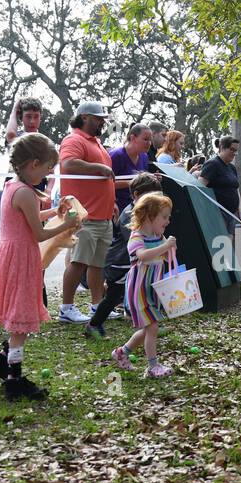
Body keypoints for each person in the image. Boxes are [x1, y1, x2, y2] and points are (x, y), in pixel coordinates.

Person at [0, 133, 83, 399]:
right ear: (34, 164)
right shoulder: (26, 193)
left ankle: (2, 360)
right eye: (47, 168)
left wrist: (54, 212)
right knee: (20, 323)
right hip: (20, 259)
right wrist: (68, 224)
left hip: (12, 255)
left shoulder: (12, 187)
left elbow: (29, 218)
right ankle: (13, 380)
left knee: (20, 315)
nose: (48, 174)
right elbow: (38, 234)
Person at [57, 101, 120, 323]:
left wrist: (111, 201)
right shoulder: (73, 139)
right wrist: (97, 167)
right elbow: (67, 163)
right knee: (78, 262)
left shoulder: (97, 143)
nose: (102, 122)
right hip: (84, 216)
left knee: (97, 264)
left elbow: (104, 179)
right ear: (84, 117)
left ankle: (97, 305)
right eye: (98, 118)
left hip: (102, 216)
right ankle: (66, 308)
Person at [86, 171, 164, 338]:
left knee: (144, 292)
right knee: (113, 297)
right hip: (120, 263)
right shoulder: (131, 215)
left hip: (133, 263)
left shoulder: (145, 213)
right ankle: (93, 325)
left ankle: (150, 324)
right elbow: (136, 241)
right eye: (151, 196)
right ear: (137, 195)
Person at [112, 192, 179, 379]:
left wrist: (170, 249)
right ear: (150, 216)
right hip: (139, 289)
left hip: (152, 289)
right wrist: (165, 247)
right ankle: (152, 366)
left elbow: (163, 256)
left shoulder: (159, 236)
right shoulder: (137, 236)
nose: (167, 221)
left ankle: (122, 352)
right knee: (152, 327)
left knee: (148, 328)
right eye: (164, 217)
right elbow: (142, 256)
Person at [199, 134, 241, 231]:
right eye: (231, 149)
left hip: (231, 215)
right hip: (217, 215)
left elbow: (235, 190)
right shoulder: (213, 164)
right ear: (222, 147)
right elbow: (200, 188)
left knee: (228, 245)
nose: (234, 153)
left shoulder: (232, 168)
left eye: (236, 151)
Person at [111, 123, 152, 214]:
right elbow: (105, 184)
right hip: (117, 207)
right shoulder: (117, 155)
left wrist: (151, 179)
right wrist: (132, 183)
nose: (149, 143)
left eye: (150, 140)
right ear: (133, 138)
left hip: (136, 207)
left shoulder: (144, 157)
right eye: (145, 139)